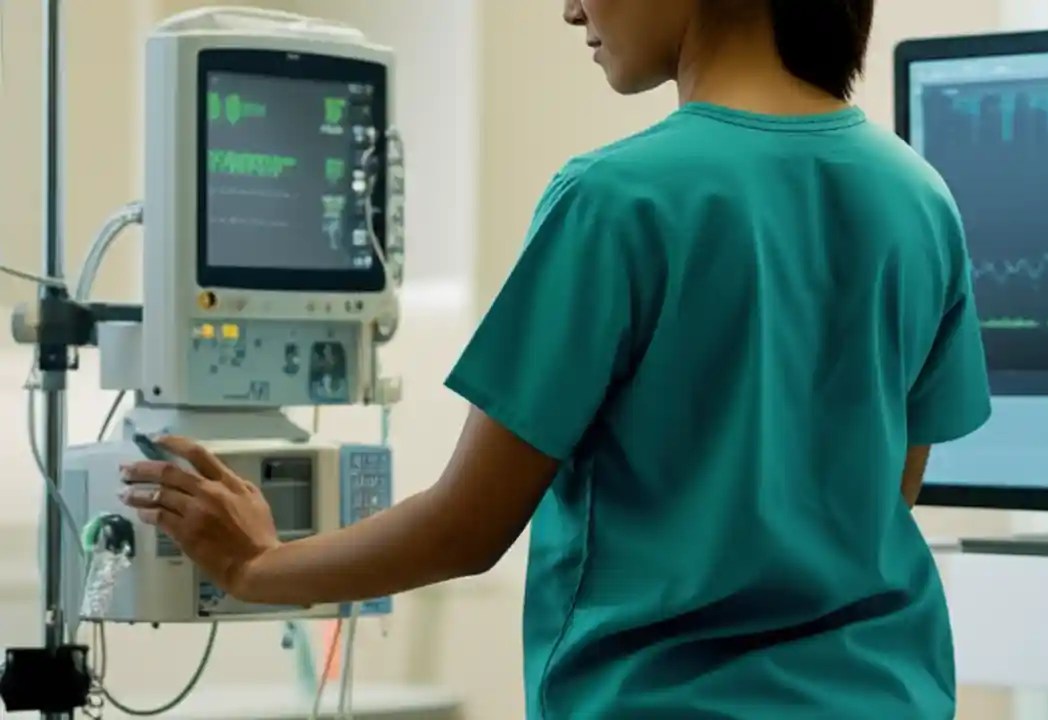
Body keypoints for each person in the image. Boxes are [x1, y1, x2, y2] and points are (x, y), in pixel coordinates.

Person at [122, 0, 992, 717]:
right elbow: (883, 500)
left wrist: (256, 566)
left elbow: (469, 528)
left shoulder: (616, 201)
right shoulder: (921, 198)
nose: (569, 8)